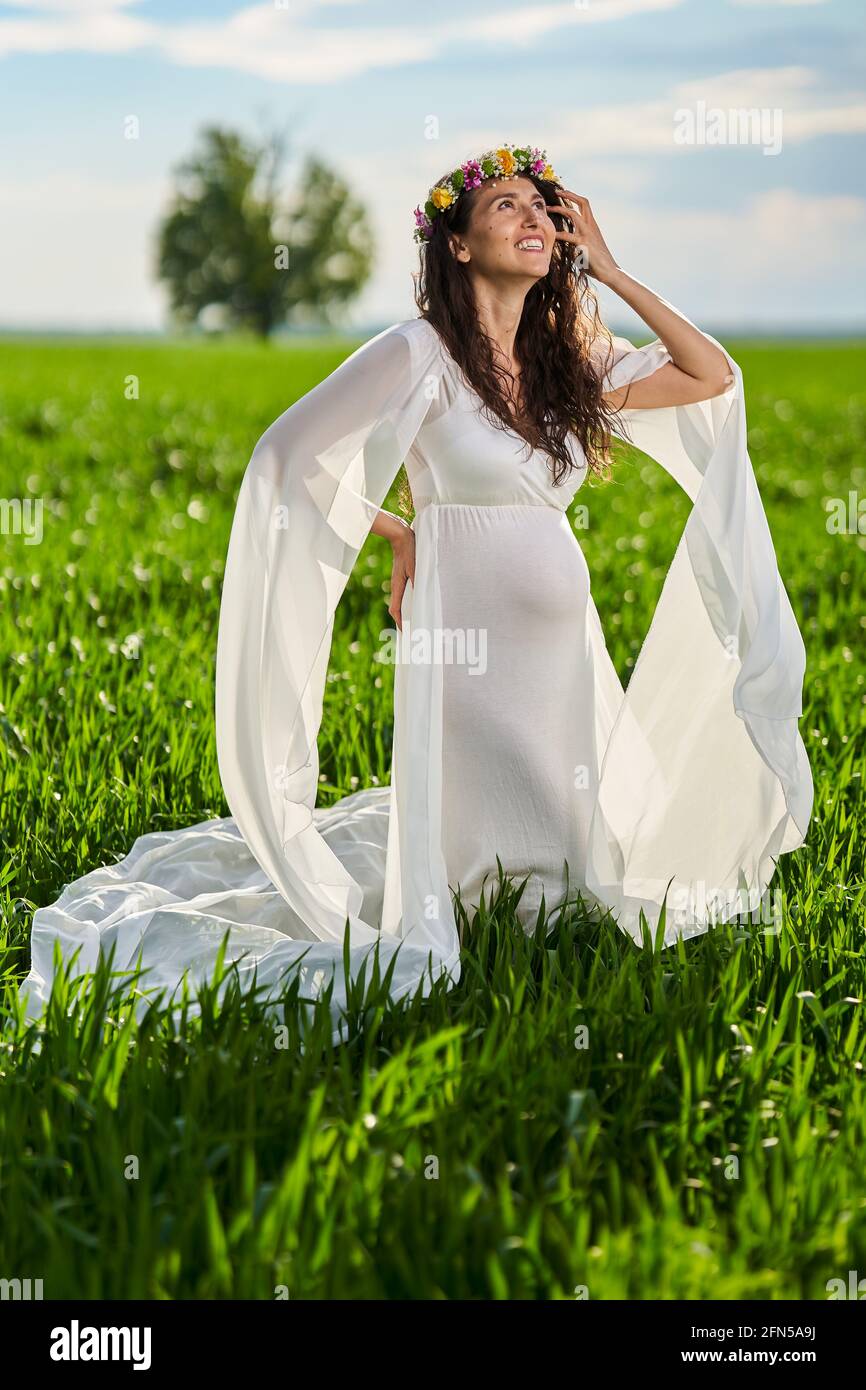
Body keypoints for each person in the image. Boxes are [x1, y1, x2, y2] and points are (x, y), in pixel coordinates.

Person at [20, 144, 813, 1043]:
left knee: (571, 854)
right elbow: (285, 454)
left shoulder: (568, 365)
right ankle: (470, 927)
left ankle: (544, 937)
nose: (533, 220)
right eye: (506, 205)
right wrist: (394, 530)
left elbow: (714, 377)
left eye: (543, 209)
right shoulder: (421, 352)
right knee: (483, 863)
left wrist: (614, 271)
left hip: (561, 641)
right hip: (462, 629)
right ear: (459, 245)